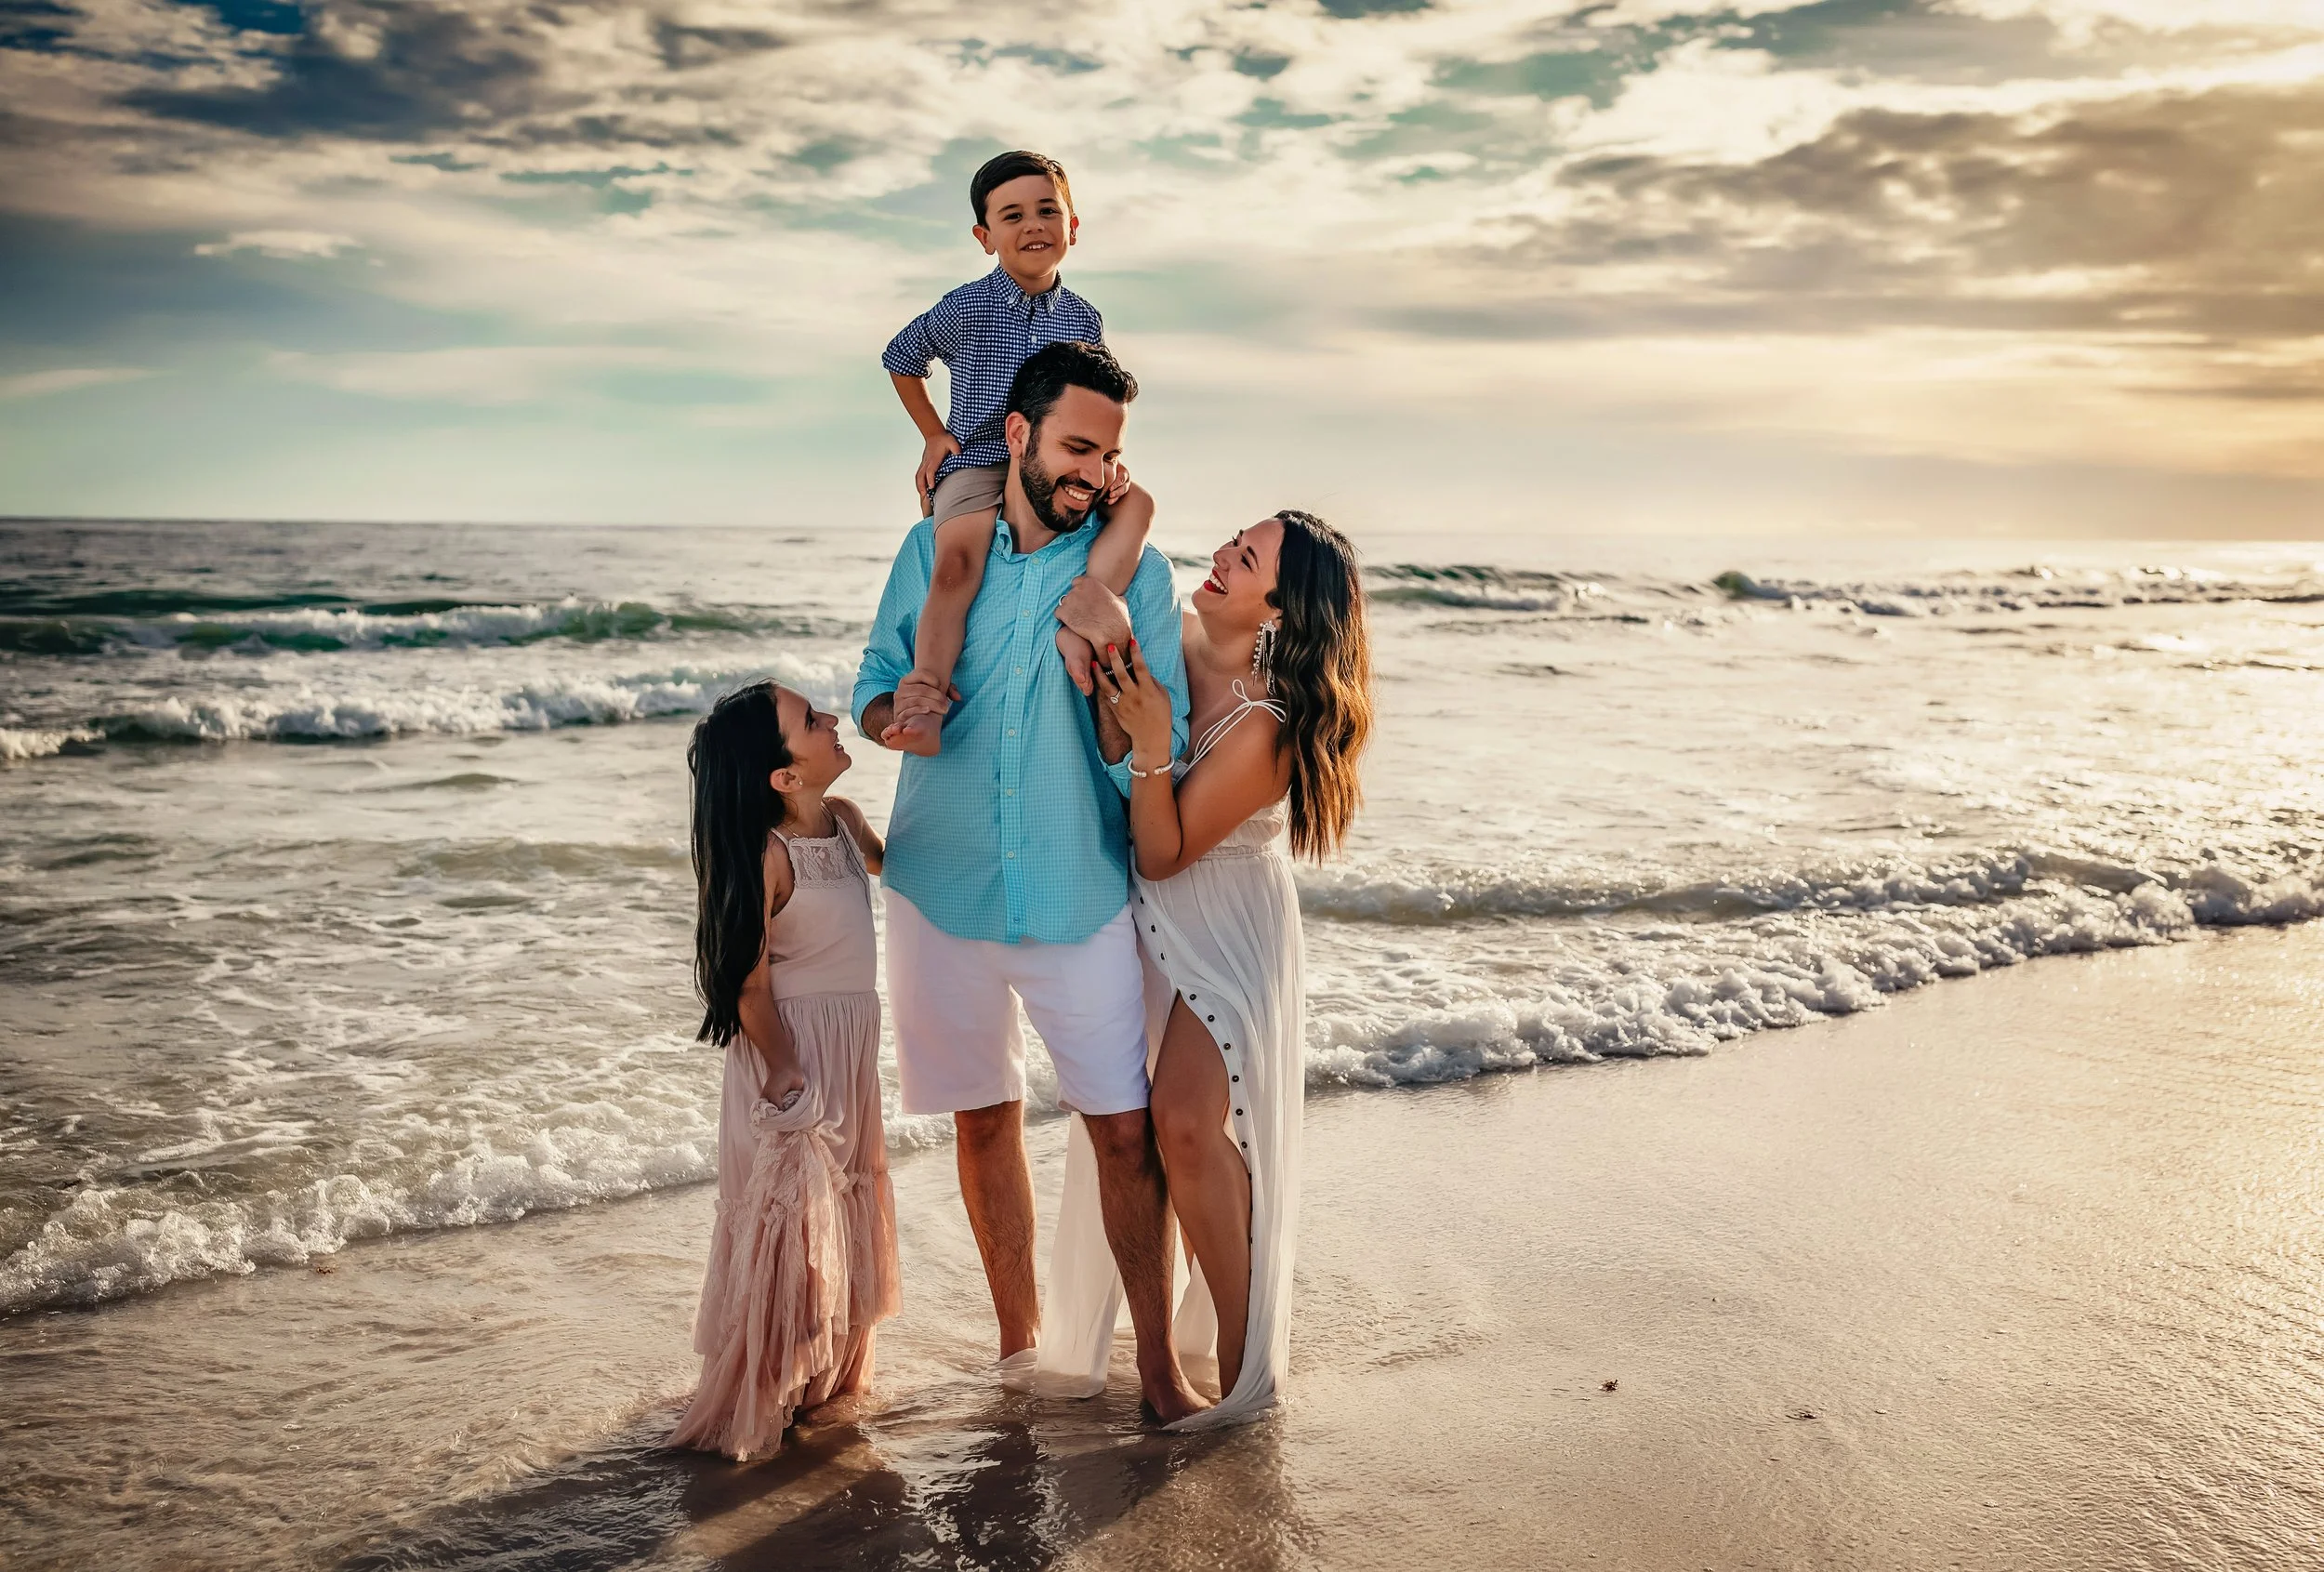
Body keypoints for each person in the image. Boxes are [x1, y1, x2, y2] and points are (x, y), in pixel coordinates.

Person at [853, 338, 1207, 1422]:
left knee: (1120, 1128)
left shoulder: (1134, 574)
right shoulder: (933, 550)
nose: (1093, 471)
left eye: (1109, 454)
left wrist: (1110, 676)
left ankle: (1155, 1366)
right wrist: (893, 723)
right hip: (939, 887)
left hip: (1074, 892)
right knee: (980, 1118)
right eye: (1075, 445)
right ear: (1015, 434)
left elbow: (1156, 742)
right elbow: (871, 689)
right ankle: (1018, 1348)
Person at [1042, 510, 1373, 1430]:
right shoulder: (1174, 637)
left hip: (1225, 927)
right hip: (1145, 921)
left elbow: (1166, 851)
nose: (1223, 556)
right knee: (1155, 1128)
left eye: (1249, 557)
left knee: (1186, 1122)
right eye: (1233, 540)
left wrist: (1154, 742)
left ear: (1281, 604)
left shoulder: (1272, 722)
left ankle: (1241, 1350)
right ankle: (1196, 1327)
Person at [670, 681, 900, 1460]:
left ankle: (823, 1383)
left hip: (852, 1053)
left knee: (845, 1206)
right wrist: (786, 1069)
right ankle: (766, 1386)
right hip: (792, 1056)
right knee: (793, 1233)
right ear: (784, 777)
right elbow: (750, 984)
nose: (834, 719)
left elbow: (903, 868)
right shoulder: (767, 856)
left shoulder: (842, 822)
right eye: (812, 720)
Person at [879, 150, 1156, 757]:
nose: (1032, 225)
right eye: (1012, 215)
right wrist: (933, 433)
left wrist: (1109, 458)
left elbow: (1104, 399)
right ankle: (926, 698)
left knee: (1137, 506)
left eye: (1046, 211)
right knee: (955, 565)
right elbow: (901, 359)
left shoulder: (1083, 317)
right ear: (985, 237)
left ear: (1072, 228)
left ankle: (1080, 626)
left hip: (1058, 465)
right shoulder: (966, 307)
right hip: (981, 460)